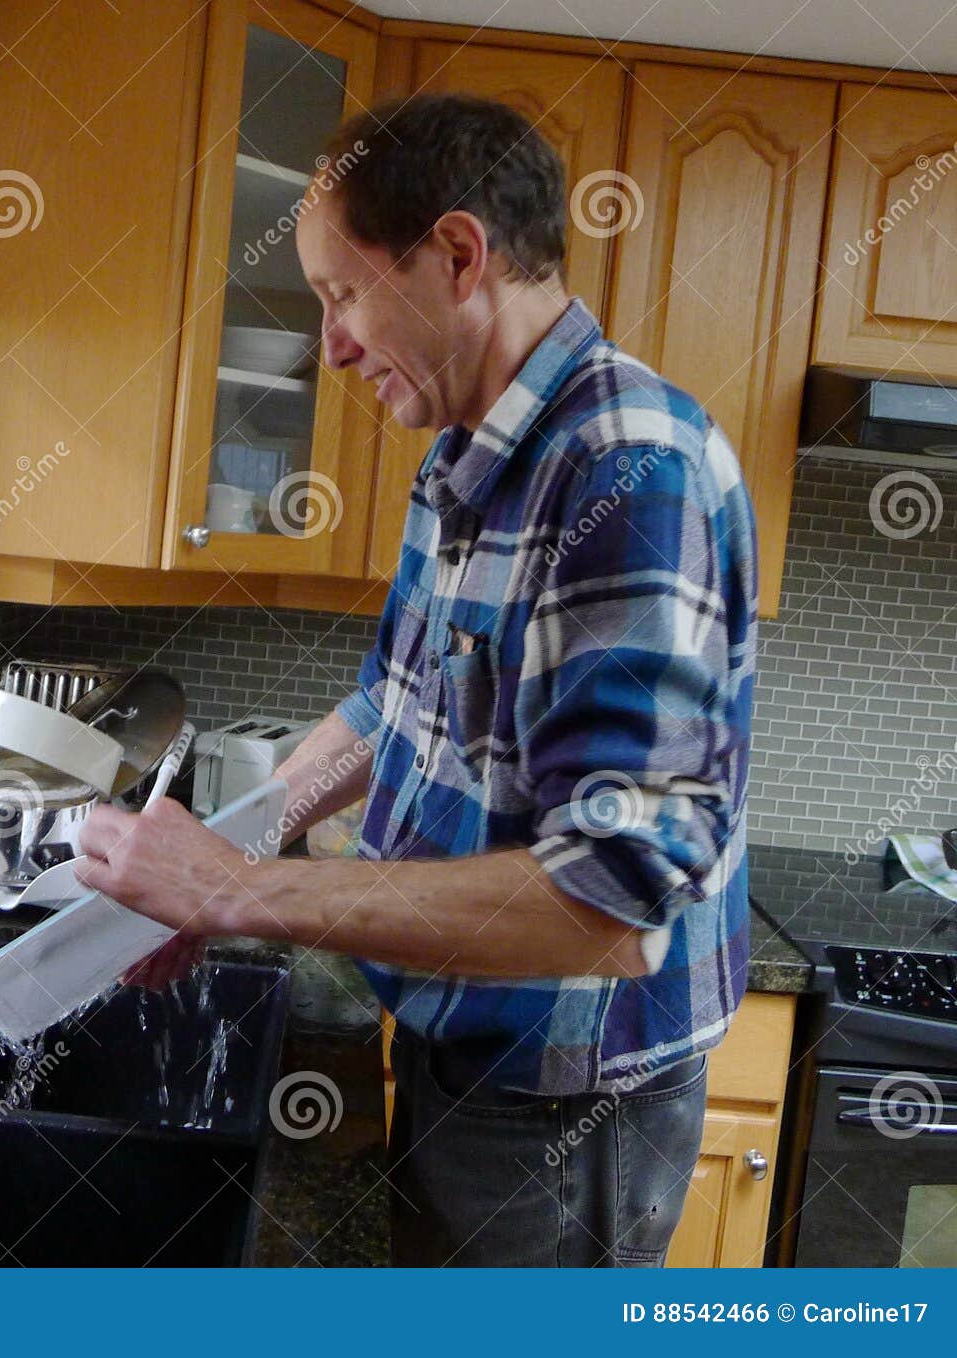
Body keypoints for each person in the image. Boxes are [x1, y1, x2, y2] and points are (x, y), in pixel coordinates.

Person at [75, 94, 757, 1268]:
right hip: (463, 1051)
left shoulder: (627, 469)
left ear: (456, 256)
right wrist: (224, 851)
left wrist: (241, 889)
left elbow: (612, 898)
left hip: (559, 1100)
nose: (330, 342)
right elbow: (387, 712)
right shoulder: (464, 453)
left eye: (342, 294)